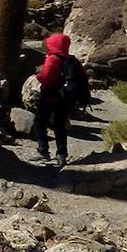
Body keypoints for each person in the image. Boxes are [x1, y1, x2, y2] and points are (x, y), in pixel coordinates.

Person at [34, 33, 90, 166]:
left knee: (39, 121)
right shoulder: (72, 60)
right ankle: (61, 154)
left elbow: (46, 78)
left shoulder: (52, 58)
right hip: (66, 99)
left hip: (50, 95)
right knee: (60, 125)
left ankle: (43, 151)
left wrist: (38, 76)